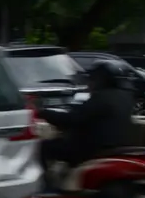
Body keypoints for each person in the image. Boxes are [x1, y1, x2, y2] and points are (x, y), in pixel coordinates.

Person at [40, 59, 134, 189]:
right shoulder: (125, 97)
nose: (89, 83)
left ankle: (46, 187)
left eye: (92, 79)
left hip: (92, 149)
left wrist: (43, 113)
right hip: (118, 146)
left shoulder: (102, 98)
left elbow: (71, 120)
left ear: (100, 80)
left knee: (43, 147)